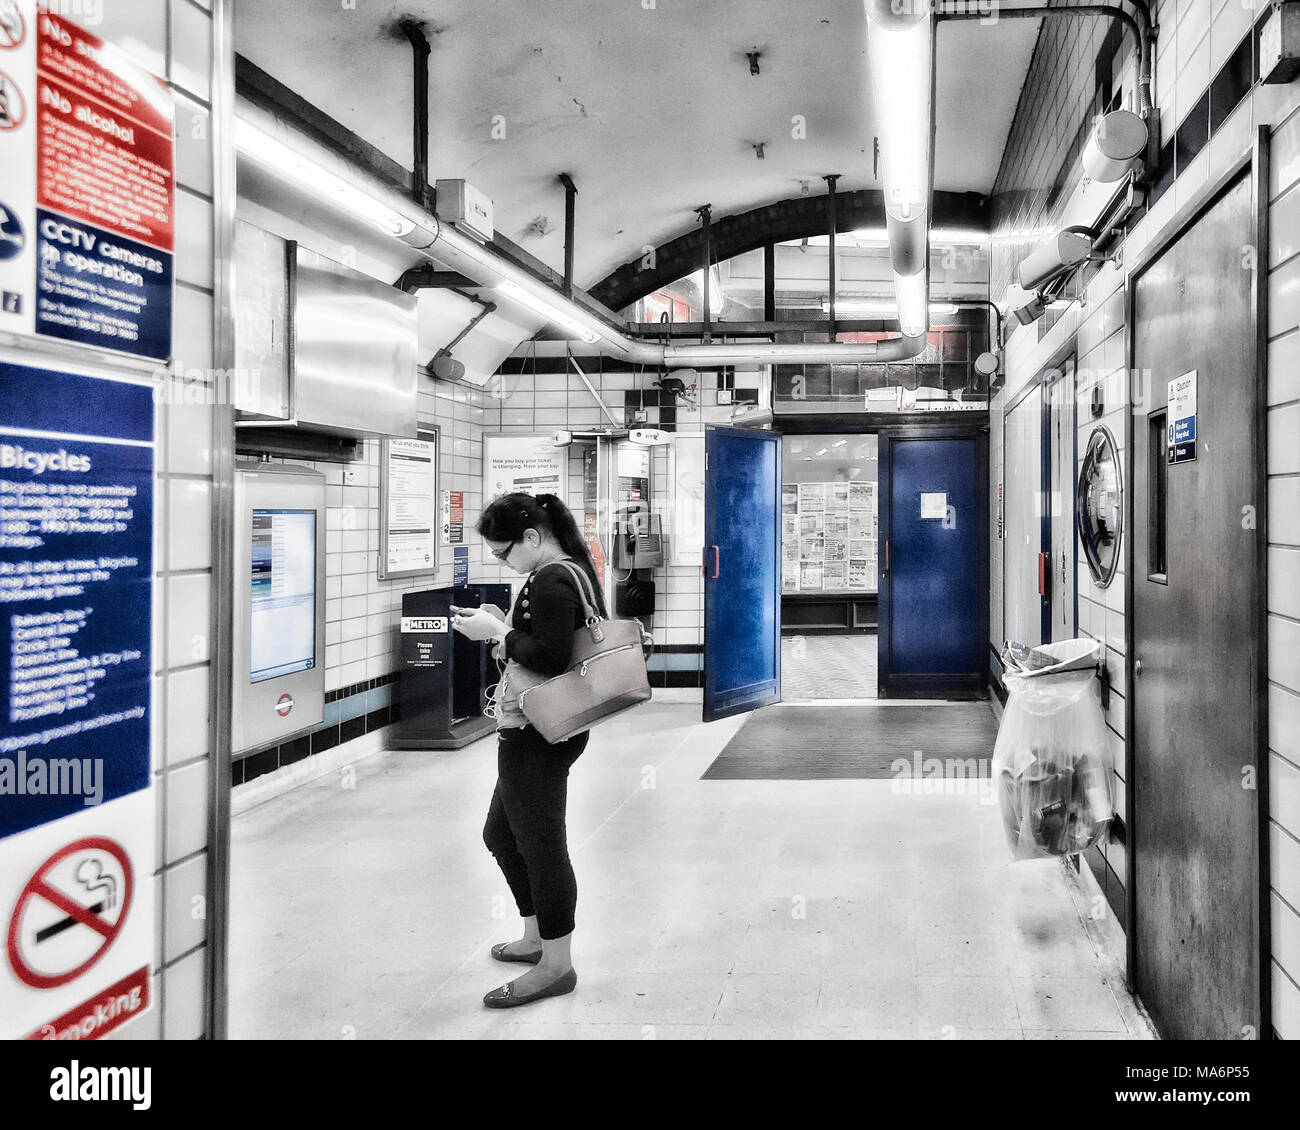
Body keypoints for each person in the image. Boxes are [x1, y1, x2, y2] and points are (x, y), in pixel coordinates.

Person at [450, 492, 607, 1009]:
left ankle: (557, 966)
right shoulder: (565, 571)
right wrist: (505, 627)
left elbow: (551, 656)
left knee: (542, 846)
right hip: (540, 728)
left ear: (533, 538)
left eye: (502, 553)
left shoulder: (553, 577)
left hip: (540, 732)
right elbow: (545, 640)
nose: (502, 561)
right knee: (500, 832)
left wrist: (499, 632)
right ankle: (538, 935)